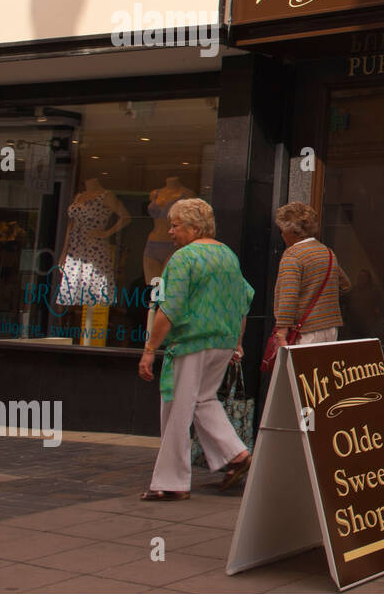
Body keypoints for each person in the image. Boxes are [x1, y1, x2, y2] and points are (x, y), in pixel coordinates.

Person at [138, 198, 253, 501]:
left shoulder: (184, 258)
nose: (171, 232)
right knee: (203, 399)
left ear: (193, 227)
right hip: (223, 342)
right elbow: (244, 301)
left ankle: (171, 482)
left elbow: (170, 309)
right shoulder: (228, 255)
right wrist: (238, 342)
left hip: (192, 342)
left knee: (177, 408)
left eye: (175, 225)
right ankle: (237, 454)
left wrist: (150, 348)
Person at [273, 202, 351, 347]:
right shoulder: (327, 252)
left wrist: (281, 333)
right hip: (330, 328)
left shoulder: (293, 255)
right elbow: (345, 285)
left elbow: (288, 297)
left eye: (282, 230)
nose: (281, 234)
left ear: (292, 232)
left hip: (305, 330)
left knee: (298, 369)